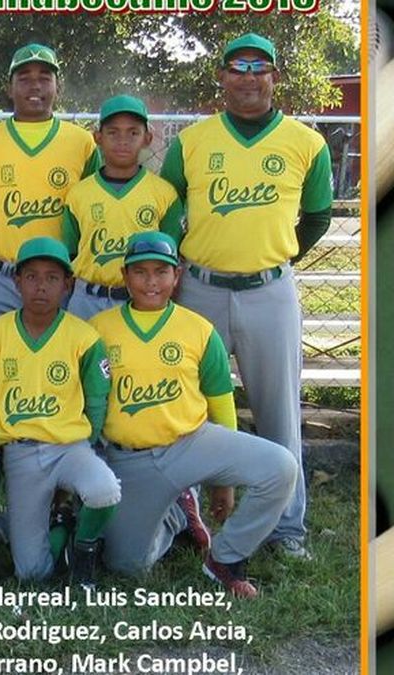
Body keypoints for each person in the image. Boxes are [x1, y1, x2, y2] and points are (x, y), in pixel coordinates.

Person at [160, 33, 334, 560]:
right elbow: (168, 210)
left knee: (278, 411)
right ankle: (181, 518)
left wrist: (274, 257)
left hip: (268, 292)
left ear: (274, 77)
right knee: (187, 410)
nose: (249, 76)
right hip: (201, 288)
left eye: (261, 67)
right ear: (223, 77)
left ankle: (286, 528)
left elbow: (319, 217)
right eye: (238, 67)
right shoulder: (193, 141)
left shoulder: (307, 142)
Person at [90, 232, 297, 598]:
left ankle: (225, 559)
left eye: (161, 272)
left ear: (177, 275)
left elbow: (220, 401)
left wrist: (225, 481)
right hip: (130, 458)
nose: (151, 282)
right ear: (125, 277)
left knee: (280, 466)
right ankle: (178, 513)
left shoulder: (197, 328)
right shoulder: (100, 330)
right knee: (126, 567)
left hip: (193, 442)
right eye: (140, 272)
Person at [0, 237, 119, 588]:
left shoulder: (84, 335)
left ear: (67, 285)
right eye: (32, 276)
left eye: (52, 278)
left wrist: (90, 441)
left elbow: (97, 397)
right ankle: (61, 524)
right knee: (32, 573)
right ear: (16, 281)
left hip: (70, 447)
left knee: (104, 489)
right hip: (20, 452)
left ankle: (84, 549)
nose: (41, 286)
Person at [0, 43, 99, 326]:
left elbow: (91, 212)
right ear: (9, 88)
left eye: (44, 78)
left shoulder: (82, 142)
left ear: (57, 86)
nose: (34, 85)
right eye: (24, 78)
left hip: (56, 276)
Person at [61, 95, 181, 320]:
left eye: (133, 133)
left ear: (147, 138)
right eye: (113, 132)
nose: (122, 140)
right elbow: (70, 252)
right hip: (87, 298)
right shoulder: (78, 194)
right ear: (98, 137)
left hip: (142, 300)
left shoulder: (165, 194)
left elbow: (172, 258)